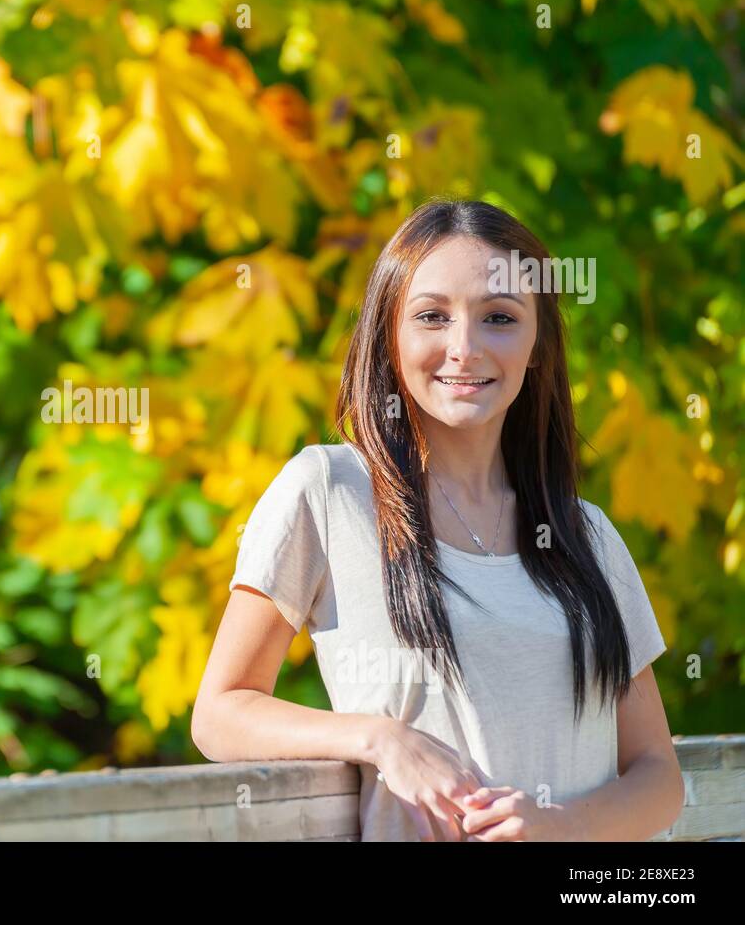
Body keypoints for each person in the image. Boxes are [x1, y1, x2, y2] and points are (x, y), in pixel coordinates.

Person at [191, 199, 683, 841]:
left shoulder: (586, 538)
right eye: (431, 316)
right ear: (389, 335)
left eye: (499, 318)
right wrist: (380, 740)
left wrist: (554, 826)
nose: (464, 348)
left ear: (537, 345)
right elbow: (220, 714)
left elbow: (658, 775)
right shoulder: (329, 491)